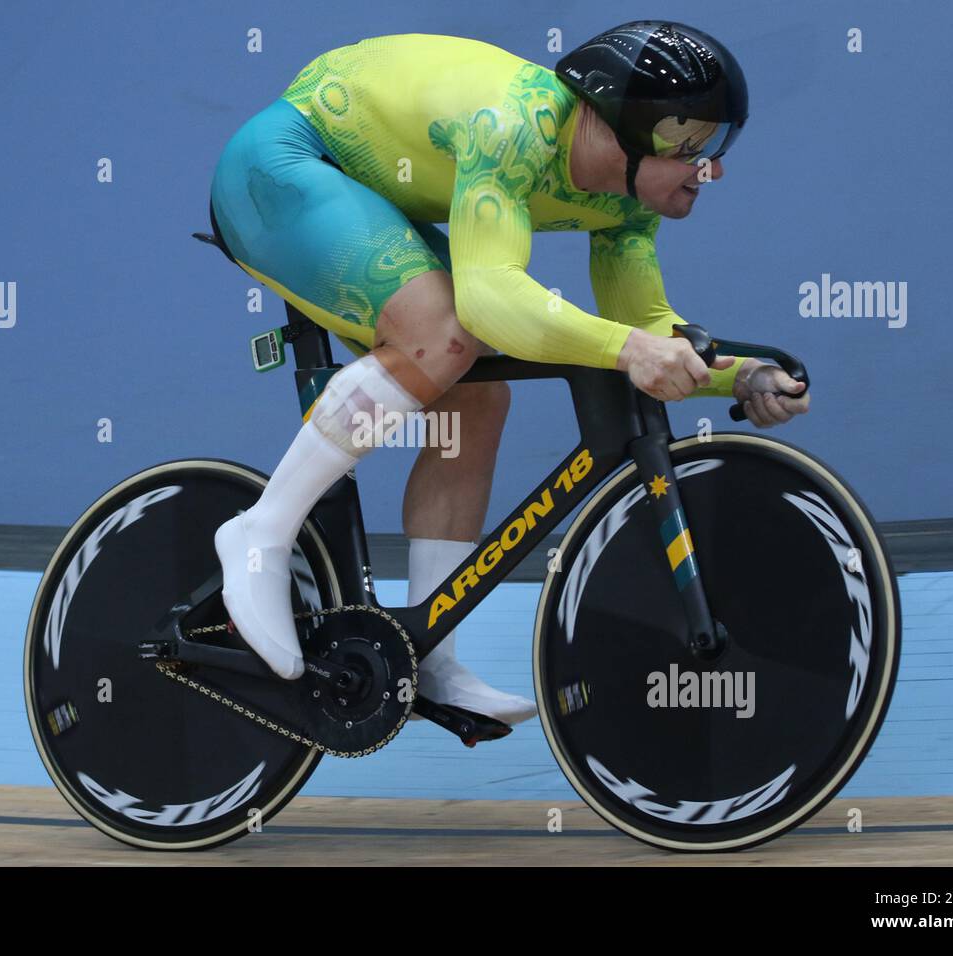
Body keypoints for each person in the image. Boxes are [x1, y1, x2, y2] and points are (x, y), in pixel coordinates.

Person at [209, 22, 809, 726]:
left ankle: (425, 651)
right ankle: (261, 531)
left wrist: (738, 377)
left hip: (369, 192)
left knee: (476, 397)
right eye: (691, 149)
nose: (708, 171)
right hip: (285, 164)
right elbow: (493, 301)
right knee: (445, 334)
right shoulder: (516, 123)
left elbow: (646, 332)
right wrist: (630, 352)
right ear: (626, 127)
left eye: (712, 151)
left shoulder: (624, 205)